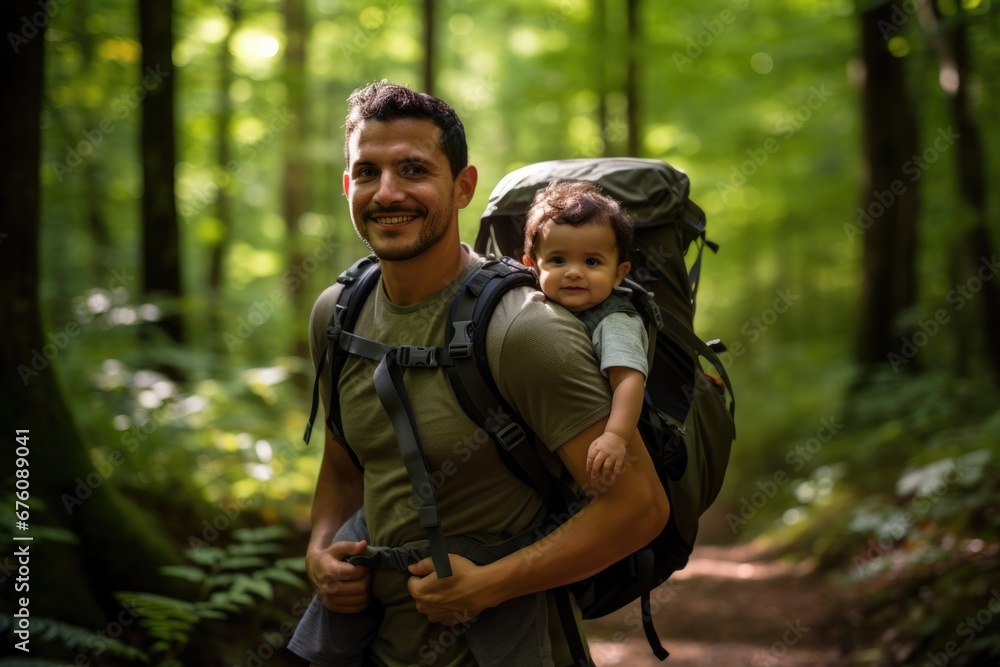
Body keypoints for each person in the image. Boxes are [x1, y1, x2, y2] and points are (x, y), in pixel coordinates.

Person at [288, 80, 669, 667]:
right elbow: (343, 471)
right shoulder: (336, 315)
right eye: (367, 172)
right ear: (348, 187)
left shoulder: (525, 332)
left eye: (413, 169)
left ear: (463, 187)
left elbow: (638, 507)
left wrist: (492, 584)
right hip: (372, 648)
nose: (387, 192)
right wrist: (319, 552)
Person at [520, 181, 647, 484]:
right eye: (558, 260)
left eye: (592, 262)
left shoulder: (613, 321)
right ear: (532, 267)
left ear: (619, 274)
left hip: (603, 440)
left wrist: (616, 436)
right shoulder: (528, 304)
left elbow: (629, 379)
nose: (574, 272)